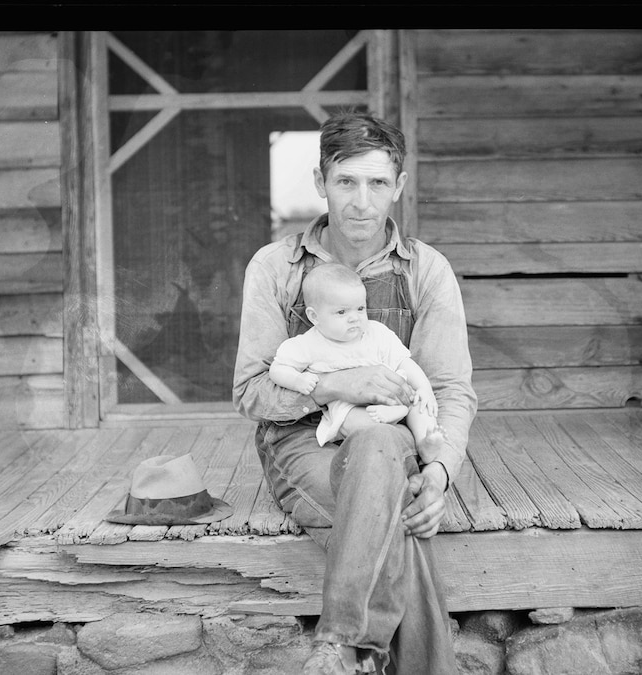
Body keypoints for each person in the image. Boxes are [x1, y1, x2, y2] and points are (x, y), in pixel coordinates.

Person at [233, 111, 476, 675]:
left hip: (399, 442)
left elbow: (448, 390)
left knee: (382, 452)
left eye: (377, 183)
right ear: (321, 182)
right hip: (305, 443)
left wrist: (439, 474)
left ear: (399, 186)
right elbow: (251, 391)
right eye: (346, 182)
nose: (361, 201)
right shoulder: (277, 268)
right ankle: (361, 649)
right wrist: (336, 386)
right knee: (396, 524)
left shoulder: (426, 272)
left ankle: (341, 647)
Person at [268, 261, 446, 455]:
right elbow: (278, 369)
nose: (355, 317)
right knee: (352, 421)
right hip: (350, 406)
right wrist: (297, 380)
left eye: (360, 308)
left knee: (421, 405)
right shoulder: (308, 344)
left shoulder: (377, 333)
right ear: (314, 317)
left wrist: (424, 388)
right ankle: (393, 420)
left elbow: (404, 362)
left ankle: (426, 443)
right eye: (342, 312)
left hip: (393, 393)